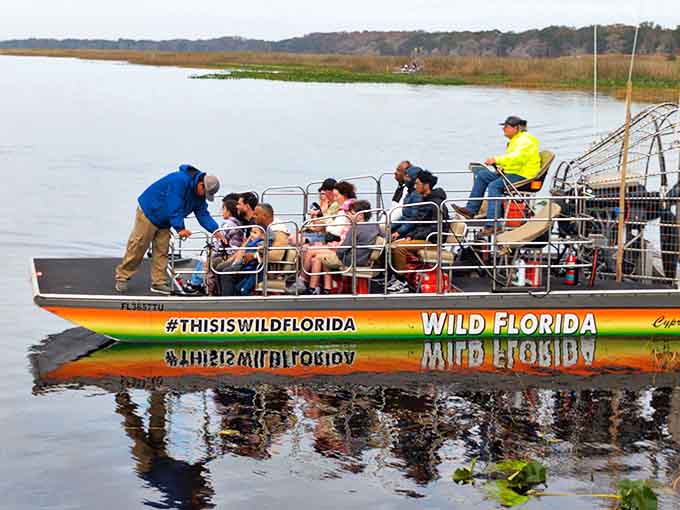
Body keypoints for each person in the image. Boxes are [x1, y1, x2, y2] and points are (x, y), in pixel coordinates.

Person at [114, 164, 224, 295]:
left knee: (162, 250)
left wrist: (216, 231)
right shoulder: (180, 180)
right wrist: (180, 228)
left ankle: (158, 282)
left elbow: (203, 214)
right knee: (138, 245)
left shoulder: (199, 197)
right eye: (205, 193)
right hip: (149, 211)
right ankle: (122, 276)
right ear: (201, 185)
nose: (204, 196)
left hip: (166, 219)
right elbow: (174, 204)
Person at [453, 116, 541, 236]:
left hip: (523, 175)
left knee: (495, 186)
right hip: (512, 172)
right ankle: (471, 210)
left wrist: (497, 160)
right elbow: (515, 161)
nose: (503, 129)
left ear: (516, 128)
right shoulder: (517, 140)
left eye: (506, 127)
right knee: (483, 175)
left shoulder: (524, 141)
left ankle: (494, 224)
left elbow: (517, 158)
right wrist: (502, 168)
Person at [306, 200, 380, 294]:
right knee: (323, 258)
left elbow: (343, 249)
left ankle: (312, 288)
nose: (348, 215)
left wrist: (337, 253)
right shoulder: (375, 227)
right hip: (364, 259)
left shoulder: (355, 229)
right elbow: (385, 237)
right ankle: (326, 288)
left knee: (317, 258)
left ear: (360, 215)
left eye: (351, 213)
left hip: (350, 260)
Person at [391, 169, 448, 271]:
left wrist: (414, 236)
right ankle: (401, 274)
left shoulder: (436, 205)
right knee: (392, 244)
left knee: (398, 247)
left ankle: (401, 278)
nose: (415, 186)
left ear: (426, 185)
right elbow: (419, 223)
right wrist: (410, 235)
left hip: (432, 241)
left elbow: (434, 229)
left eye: (417, 184)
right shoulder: (425, 201)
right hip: (423, 237)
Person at [390, 166, 423, 241]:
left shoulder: (417, 196)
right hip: (405, 226)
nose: (405, 179)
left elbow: (413, 219)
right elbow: (404, 217)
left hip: (410, 230)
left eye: (408, 177)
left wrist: (399, 232)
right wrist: (390, 226)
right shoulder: (409, 193)